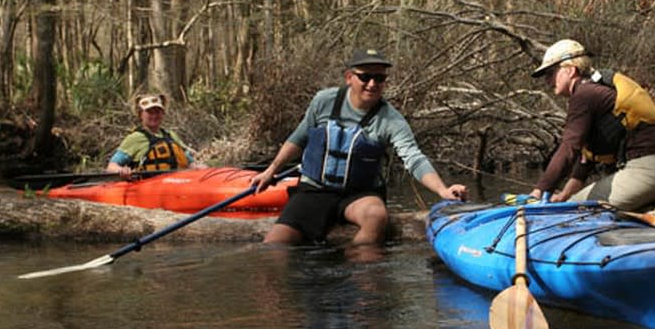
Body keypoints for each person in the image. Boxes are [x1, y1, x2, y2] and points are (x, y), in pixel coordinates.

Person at [251, 48, 468, 245]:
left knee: (376, 216)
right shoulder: (323, 101)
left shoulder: (391, 120)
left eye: (380, 78)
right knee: (275, 244)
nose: (372, 84)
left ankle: (359, 274)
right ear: (349, 78)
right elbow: (298, 139)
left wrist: (442, 190)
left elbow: (414, 158)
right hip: (315, 189)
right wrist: (271, 171)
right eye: (365, 77)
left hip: (360, 194)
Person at [529, 39, 655, 210]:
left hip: (647, 173)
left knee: (571, 211)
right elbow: (586, 160)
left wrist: (539, 191)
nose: (547, 81)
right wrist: (565, 195)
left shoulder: (584, 95)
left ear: (570, 70)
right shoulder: (597, 90)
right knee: (570, 201)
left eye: (551, 73)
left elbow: (569, 148)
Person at [106, 93, 205, 177]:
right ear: (140, 114)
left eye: (157, 112)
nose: (154, 116)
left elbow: (190, 161)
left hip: (176, 183)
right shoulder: (135, 138)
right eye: (149, 112)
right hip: (147, 186)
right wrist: (122, 170)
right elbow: (111, 166)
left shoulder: (171, 135)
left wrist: (198, 167)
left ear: (162, 114)